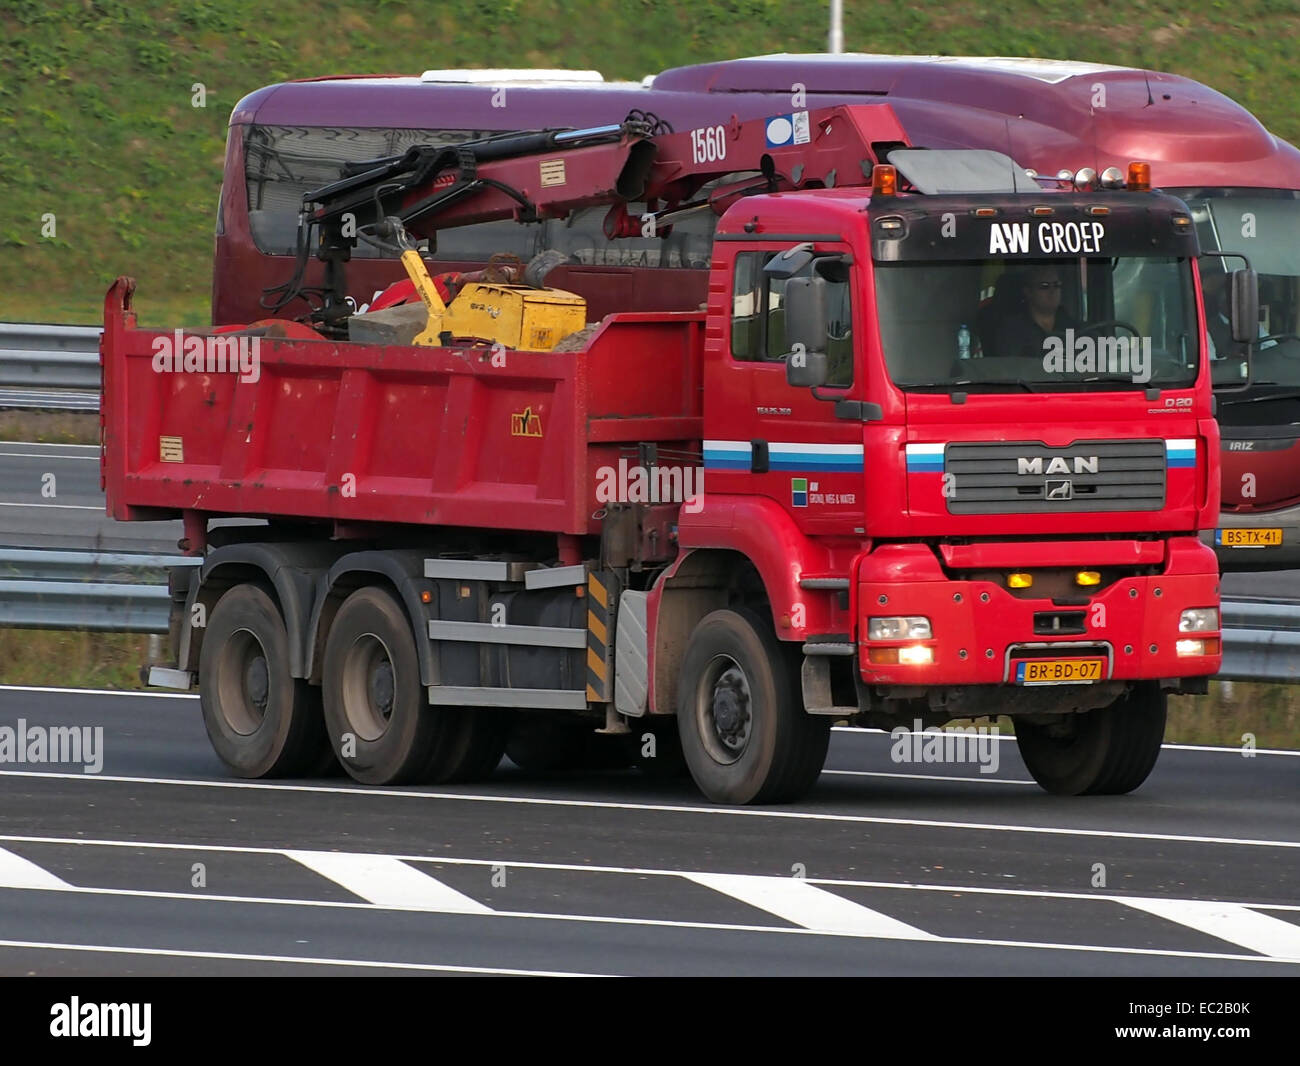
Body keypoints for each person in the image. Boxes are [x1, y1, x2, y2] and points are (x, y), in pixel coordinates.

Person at [992, 264, 1079, 362]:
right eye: (1044, 286)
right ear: (1028, 292)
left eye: (1057, 285)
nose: (1053, 291)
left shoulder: (1076, 329)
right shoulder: (1011, 331)